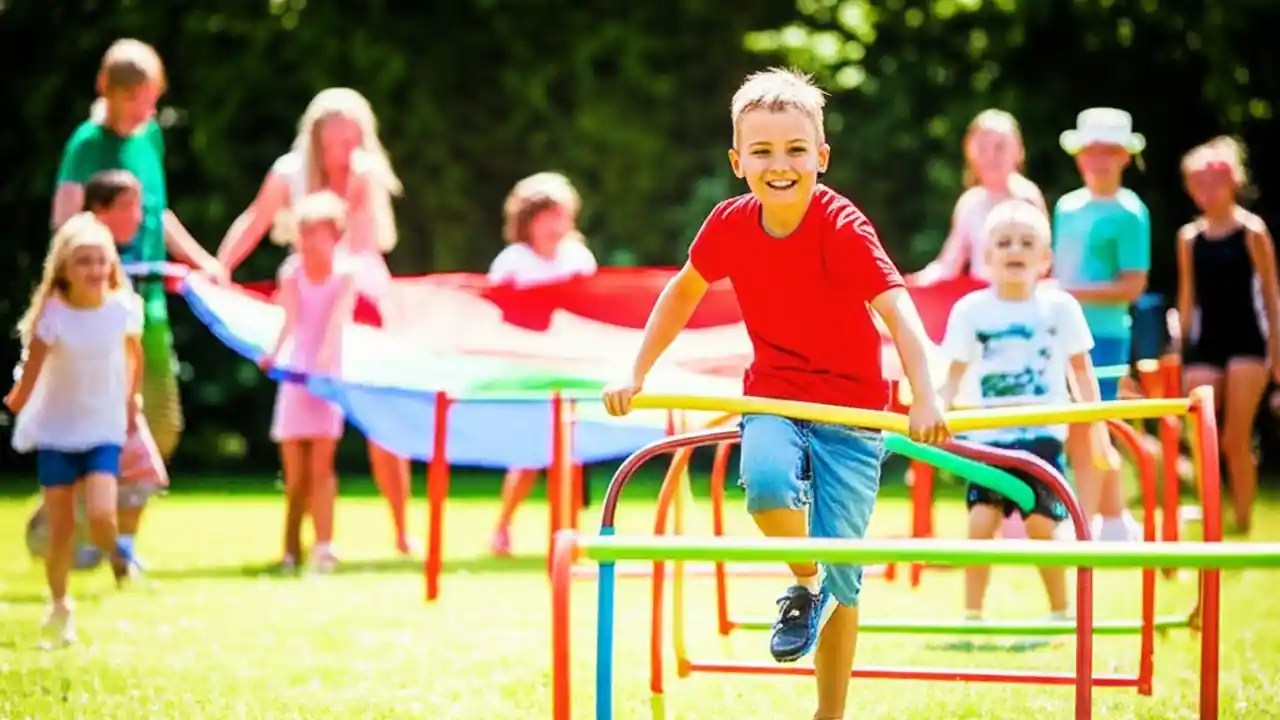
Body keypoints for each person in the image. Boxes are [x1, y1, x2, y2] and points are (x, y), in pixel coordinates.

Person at [602, 68, 949, 720]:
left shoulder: (841, 225)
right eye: (761, 151)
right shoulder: (730, 224)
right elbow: (682, 292)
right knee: (764, 488)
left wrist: (924, 396)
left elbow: (899, 311)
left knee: (847, 578)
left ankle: (829, 710)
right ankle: (804, 580)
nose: (780, 165)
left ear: (821, 156)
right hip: (776, 394)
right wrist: (636, 368)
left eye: (795, 149)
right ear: (738, 162)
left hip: (851, 409)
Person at [217, 87, 415, 555]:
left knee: (381, 422)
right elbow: (256, 218)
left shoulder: (366, 176)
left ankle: (402, 528)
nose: (345, 152)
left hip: (359, 298)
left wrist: (331, 279)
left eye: (353, 141)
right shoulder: (289, 174)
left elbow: (363, 247)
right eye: (336, 142)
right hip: (308, 306)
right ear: (316, 139)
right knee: (306, 434)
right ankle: (304, 541)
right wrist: (221, 267)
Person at [938, 200, 1118, 620]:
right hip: (987, 439)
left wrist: (1098, 433)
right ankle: (972, 615)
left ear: (1045, 258)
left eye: (1025, 242)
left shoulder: (1059, 308)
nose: (1014, 249)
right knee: (981, 523)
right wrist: (935, 415)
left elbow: (1082, 374)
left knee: (1042, 525)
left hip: (1040, 438)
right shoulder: (970, 311)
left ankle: (1060, 610)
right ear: (986, 257)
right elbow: (952, 376)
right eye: (1003, 242)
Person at [53, 38, 225, 464]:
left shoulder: (149, 137)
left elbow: (156, 213)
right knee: (101, 423)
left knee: (162, 427)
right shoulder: (86, 146)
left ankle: (108, 518)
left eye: (150, 101)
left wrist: (203, 261)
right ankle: (79, 510)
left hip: (147, 307)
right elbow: (65, 223)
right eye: (134, 101)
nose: (144, 112)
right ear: (105, 89)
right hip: (97, 308)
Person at [5, 213, 142, 646]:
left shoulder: (123, 308)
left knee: (103, 513)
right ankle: (60, 603)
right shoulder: (54, 314)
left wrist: (131, 401)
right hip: (57, 430)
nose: (95, 270)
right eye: (84, 261)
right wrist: (14, 403)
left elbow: (134, 358)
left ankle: (117, 555)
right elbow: (32, 371)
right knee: (61, 529)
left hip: (103, 426)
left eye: (102, 260)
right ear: (64, 267)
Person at [487, 171, 598, 557]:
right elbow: (495, 314)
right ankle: (502, 527)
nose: (555, 225)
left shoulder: (579, 259)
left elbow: (589, 312)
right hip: (526, 372)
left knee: (571, 454)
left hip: (570, 370)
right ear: (527, 221)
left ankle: (569, 534)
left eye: (561, 215)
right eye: (546, 216)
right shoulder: (512, 262)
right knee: (529, 455)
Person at [1052, 107, 1150, 541]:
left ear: (1125, 158)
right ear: (1080, 157)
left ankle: (1084, 524)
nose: (1099, 160)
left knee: (1091, 424)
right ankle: (1117, 521)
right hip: (1062, 334)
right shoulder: (1066, 207)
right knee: (1081, 426)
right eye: (1092, 152)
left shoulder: (1131, 212)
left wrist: (1068, 292)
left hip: (1106, 336)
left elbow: (1133, 284)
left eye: (1109, 152)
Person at [1175, 136, 1279, 533]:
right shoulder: (1188, 238)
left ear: (1234, 182)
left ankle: (1243, 518)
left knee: (1235, 439)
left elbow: (1271, 295)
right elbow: (1188, 298)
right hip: (1208, 342)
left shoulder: (1252, 232)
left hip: (1248, 341)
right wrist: (1178, 347)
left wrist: (1276, 349)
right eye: (1198, 185)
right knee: (1202, 435)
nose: (1206, 193)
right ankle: (1211, 516)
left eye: (1214, 183)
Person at [259, 192, 356, 573]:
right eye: (306, 233)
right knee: (295, 476)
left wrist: (324, 363)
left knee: (321, 470)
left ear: (335, 235)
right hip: (297, 379)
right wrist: (275, 352)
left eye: (320, 233)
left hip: (326, 380)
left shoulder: (345, 274)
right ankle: (289, 548)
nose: (312, 242)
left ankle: (324, 546)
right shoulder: (292, 272)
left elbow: (335, 323)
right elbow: (291, 319)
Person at [911, 109, 1047, 284]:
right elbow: (949, 263)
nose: (991, 156)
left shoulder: (1027, 198)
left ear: (1018, 151)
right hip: (986, 300)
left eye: (1000, 147)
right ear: (970, 153)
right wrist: (917, 281)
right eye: (983, 148)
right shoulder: (970, 203)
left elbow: (1044, 260)